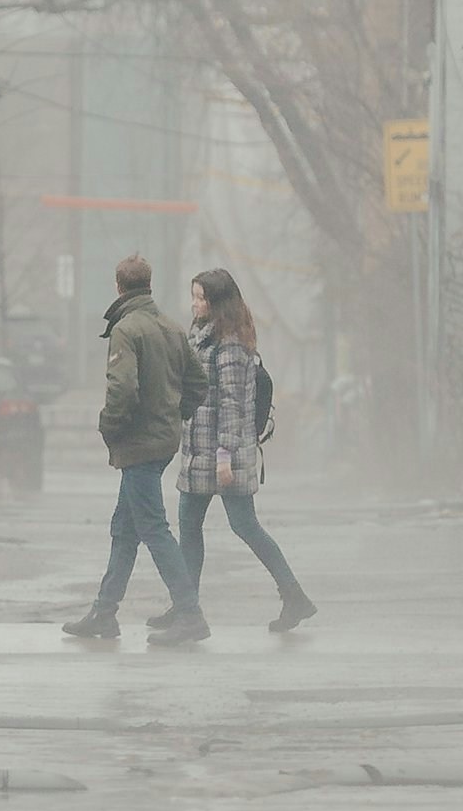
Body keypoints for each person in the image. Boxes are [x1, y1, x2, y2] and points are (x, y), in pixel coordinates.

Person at [62, 254, 204, 645]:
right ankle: (104, 612)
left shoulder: (127, 329)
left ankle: (190, 613)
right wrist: (176, 415)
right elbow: (199, 383)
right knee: (125, 530)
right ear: (149, 284)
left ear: (118, 286)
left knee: (154, 529)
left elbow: (122, 390)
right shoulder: (172, 328)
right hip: (162, 441)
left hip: (139, 444)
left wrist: (110, 427)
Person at [174, 267, 314, 635]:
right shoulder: (204, 337)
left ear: (218, 303)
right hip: (200, 452)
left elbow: (234, 405)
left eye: (201, 297)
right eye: (193, 296)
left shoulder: (230, 344)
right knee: (189, 527)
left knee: (245, 526)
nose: (194, 303)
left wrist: (223, 457)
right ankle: (185, 607)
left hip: (222, 456)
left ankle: (293, 596)